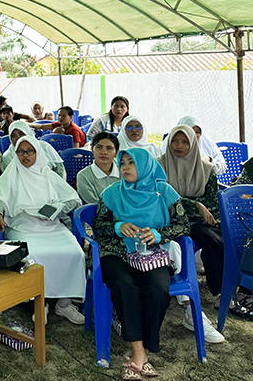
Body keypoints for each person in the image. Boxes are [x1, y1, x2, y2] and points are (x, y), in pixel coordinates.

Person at [92, 148, 190, 379]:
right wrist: (117, 227)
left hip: (153, 253)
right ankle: (139, 352)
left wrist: (158, 235)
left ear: (145, 166)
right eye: (123, 163)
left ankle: (143, 349)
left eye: (131, 163)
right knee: (125, 286)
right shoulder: (111, 193)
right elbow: (98, 225)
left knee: (157, 289)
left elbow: (184, 224)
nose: (125, 167)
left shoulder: (164, 191)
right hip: (116, 251)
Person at [0, 135, 85, 325]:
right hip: (22, 225)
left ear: (38, 152)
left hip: (51, 226)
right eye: (21, 151)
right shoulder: (12, 173)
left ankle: (64, 303)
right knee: (32, 254)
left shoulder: (47, 174)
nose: (25, 155)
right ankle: (39, 303)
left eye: (30, 151)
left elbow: (72, 198)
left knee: (75, 252)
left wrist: (56, 207)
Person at [158, 125, 226, 342]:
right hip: (171, 221)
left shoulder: (206, 170)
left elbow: (212, 204)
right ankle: (217, 293)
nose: (179, 146)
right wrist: (195, 204)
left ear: (194, 144)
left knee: (222, 238)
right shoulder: (159, 166)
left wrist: (196, 206)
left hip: (201, 221)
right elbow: (163, 198)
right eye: (175, 141)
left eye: (185, 142)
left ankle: (226, 290)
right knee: (210, 238)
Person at [2, 120, 66, 180]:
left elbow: (59, 169)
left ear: (28, 133)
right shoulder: (8, 156)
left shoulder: (44, 146)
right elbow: (10, 180)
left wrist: (57, 186)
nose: (18, 138)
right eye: (13, 136)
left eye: (21, 134)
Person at [77, 132, 121, 204]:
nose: (103, 152)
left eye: (109, 148)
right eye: (99, 147)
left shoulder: (124, 172)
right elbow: (95, 205)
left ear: (116, 153)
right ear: (92, 150)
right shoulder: (83, 176)